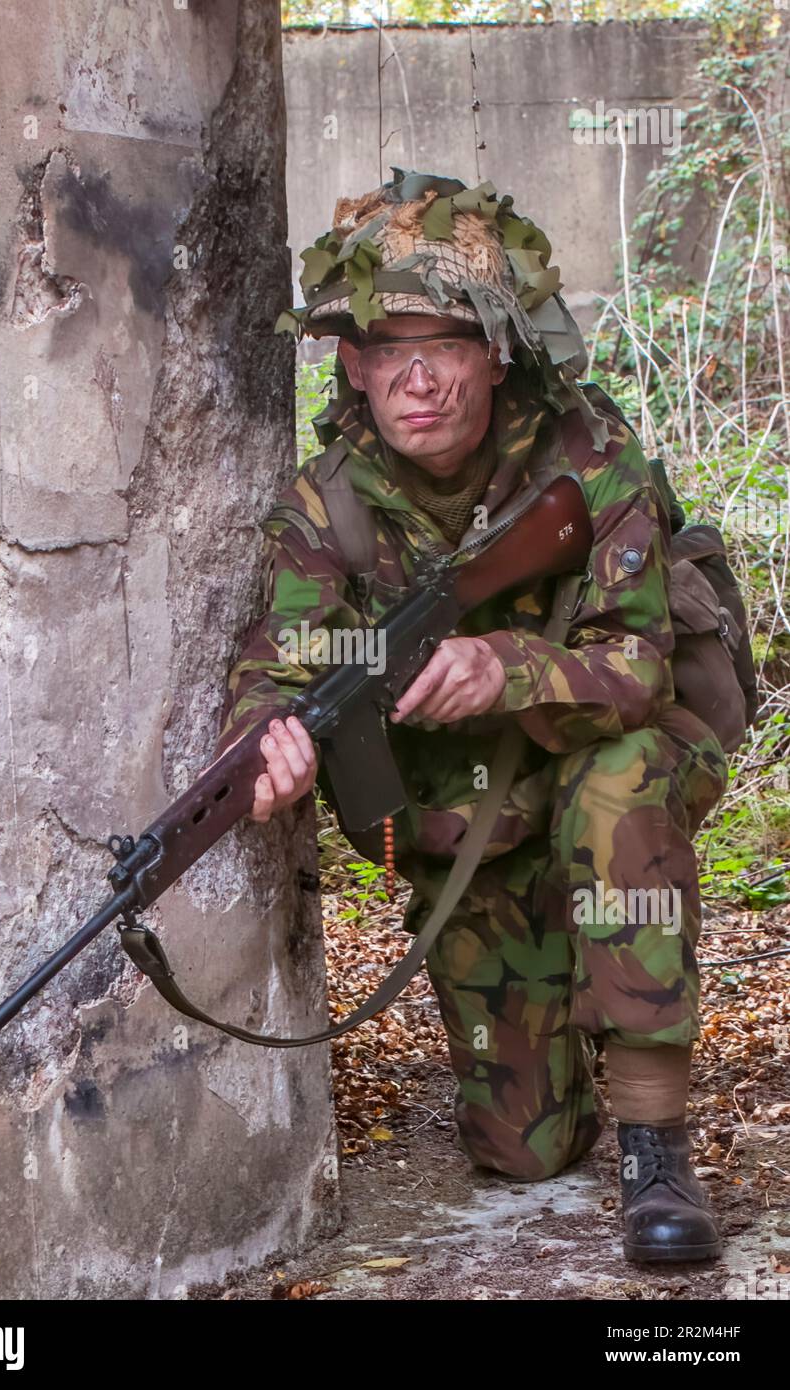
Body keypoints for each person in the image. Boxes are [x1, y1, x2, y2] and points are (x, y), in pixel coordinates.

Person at [214, 170, 729, 1263]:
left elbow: (636, 667)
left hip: (617, 747)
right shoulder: (328, 503)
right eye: (384, 347)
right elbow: (288, 656)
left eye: (442, 345)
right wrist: (265, 737)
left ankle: (655, 1146)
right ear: (350, 363)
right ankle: (569, 973)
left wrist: (501, 667)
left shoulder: (587, 460)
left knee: (618, 781)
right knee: (522, 1148)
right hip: (476, 816)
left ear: (494, 350)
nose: (415, 377)